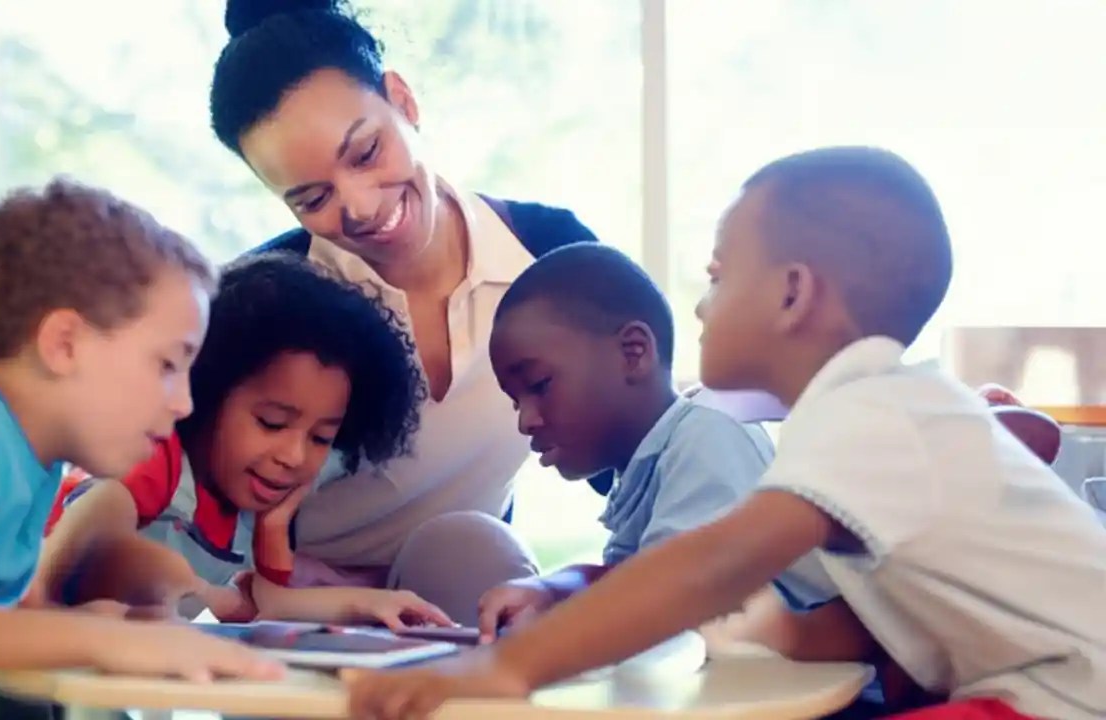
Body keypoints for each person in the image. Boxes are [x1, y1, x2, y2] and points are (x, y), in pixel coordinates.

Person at [343, 146, 1106, 720]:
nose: (702, 306)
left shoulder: (865, 411)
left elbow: (712, 565)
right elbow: (839, 608)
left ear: (792, 294)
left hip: (1066, 689)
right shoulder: (868, 414)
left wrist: (509, 671)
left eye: (715, 274)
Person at [209, 0, 611, 621]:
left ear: (402, 100)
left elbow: (635, 450)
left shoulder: (552, 256)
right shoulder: (261, 304)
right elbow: (178, 505)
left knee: (464, 547)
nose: (361, 207)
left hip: (463, 592)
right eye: (312, 198)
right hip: (311, 612)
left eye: (366, 153)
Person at [0, 178, 280, 718]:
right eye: (167, 365)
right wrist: (93, 640)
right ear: (64, 344)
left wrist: (91, 624)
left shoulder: (23, 456)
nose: (184, 403)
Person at [35, 252, 450, 631]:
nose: (294, 455)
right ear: (206, 391)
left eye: (321, 437)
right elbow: (78, 549)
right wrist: (190, 587)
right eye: (271, 423)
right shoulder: (155, 458)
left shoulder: (245, 508)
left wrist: (371, 604)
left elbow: (260, 605)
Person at [476, 243, 774, 642]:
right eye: (516, 401)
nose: (526, 421)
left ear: (633, 353)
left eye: (539, 385)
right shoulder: (646, 467)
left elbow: (673, 599)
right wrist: (551, 590)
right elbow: (633, 580)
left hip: (818, 700)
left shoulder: (712, 429)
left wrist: (543, 641)